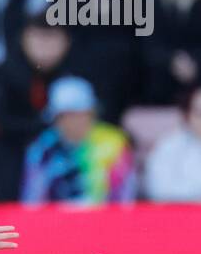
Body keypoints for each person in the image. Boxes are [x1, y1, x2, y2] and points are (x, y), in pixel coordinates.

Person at [20, 75, 136, 203]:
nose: (72, 121)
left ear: (91, 113)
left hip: (104, 219)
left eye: (78, 114)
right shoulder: (42, 148)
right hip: (55, 220)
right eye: (65, 116)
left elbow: (125, 198)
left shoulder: (114, 144)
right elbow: (32, 200)